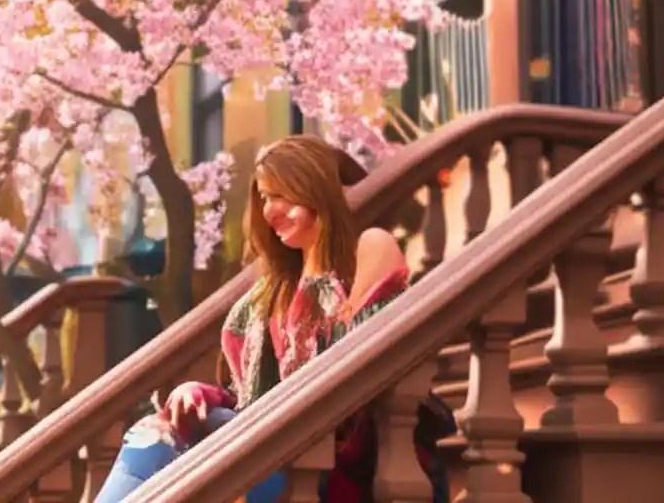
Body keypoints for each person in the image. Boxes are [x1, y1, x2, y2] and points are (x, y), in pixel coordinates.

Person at [96, 135, 449, 502]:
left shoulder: (368, 251)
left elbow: (358, 365)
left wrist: (322, 258)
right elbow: (251, 401)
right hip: (278, 449)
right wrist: (202, 395)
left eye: (282, 195)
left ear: (319, 191)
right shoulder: (268, 297)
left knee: (206, 437)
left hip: (341, 465)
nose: (268, 212)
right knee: (156, 431)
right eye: (264, 198)